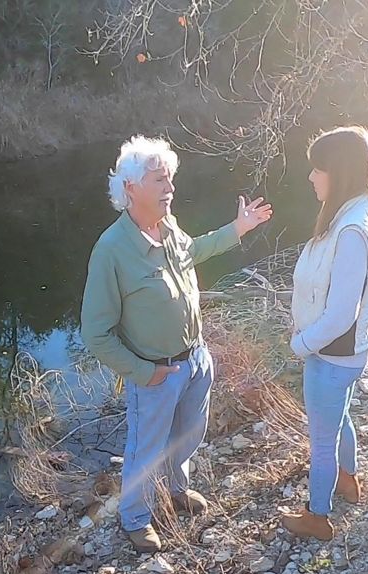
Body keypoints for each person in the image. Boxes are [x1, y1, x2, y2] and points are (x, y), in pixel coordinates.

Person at [81, 135, 272, 553]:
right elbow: (95, 333)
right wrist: (144, 373)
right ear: (130, 188)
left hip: (195, 359)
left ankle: (177, 489)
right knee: (145, 449)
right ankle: (135, 519)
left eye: (170, 179)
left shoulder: (167, 227)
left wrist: (238, 228)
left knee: (189, 433)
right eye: (159, 181)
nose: (169, 189)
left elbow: (193, 252)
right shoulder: (112, 250)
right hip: (155, 372)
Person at [282, 126, 368, 541]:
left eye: (318, 169)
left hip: (333, 354)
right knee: (340, 416)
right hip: (353, 352)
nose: (312, 178)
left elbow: (340, 314)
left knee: (321, 439)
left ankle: (317, 516)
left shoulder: (351, 231)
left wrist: (302, 344)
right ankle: (348, 481)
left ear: (339, 171)